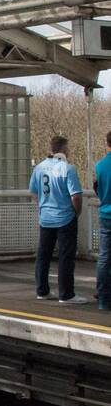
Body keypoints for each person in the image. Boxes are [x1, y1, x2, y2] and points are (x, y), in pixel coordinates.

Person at [29, 135, 85, 304]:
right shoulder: (68, 169)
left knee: (43, 255)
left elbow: (33, 192)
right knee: (65, 256)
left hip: (45, 218)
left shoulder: (39, 168)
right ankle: (66, 294)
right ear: (63, 149)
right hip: (65, 217)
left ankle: (42, 290)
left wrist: (43, 206)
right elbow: (76, 196)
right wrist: (76, 213)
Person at [94, 132, 111, 311]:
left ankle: (103, 300)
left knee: (104, 258)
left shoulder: (99, 165)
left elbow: (97, 187)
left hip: (106, 214)